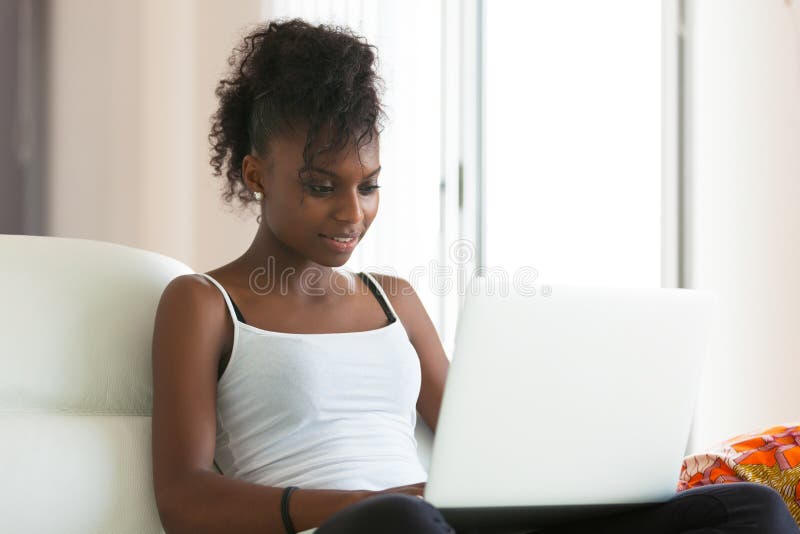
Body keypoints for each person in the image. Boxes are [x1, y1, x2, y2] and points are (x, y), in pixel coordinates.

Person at [150, 18, 800, 534]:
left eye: (370, 186)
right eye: (322, 187)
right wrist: (360, 503)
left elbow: (480, 454)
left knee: (747, 512)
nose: (353, 213)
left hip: (434, 522)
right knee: (401, 519)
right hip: (361, 527)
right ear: (258, 174)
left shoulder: (393, 299)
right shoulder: (204, 303)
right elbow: (186, 499)